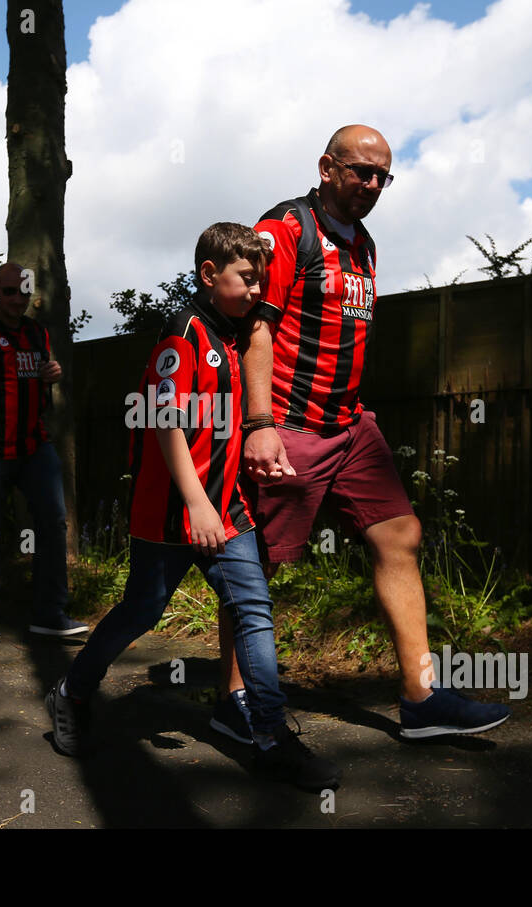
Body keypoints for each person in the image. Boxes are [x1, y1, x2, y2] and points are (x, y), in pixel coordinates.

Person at [214, 124, 511, 740]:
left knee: (400, 533)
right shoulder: (284, 231)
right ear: (327, 168)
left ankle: (421, 696)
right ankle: (235, 700)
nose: (372, 185)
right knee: (257, 563)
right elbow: (255, 331)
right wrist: (260, 424)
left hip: (350, 424)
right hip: (289, 425)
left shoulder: (365, 245)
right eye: (360, 172)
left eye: (383, 176)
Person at [46, 223, 340, 790]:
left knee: (253, 610)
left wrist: (251, 469)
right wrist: (196, 504)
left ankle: (272, 737)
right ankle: (72, 692)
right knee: (140, 612)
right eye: (246, 279)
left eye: (260, 280)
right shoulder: (182, 336)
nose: (257, 290)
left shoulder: (233, 337)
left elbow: (221, 428)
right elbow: (165, 423)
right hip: (172, 514)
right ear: (209, 275)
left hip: (227, 512)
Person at [0, 262, 85, 642]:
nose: (16, 299)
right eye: (8, 291)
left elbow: (36, 380)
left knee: (53, 523)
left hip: (33, 446)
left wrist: (50, 374)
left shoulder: (37, 332)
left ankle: (50, 612)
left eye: (23, 292)